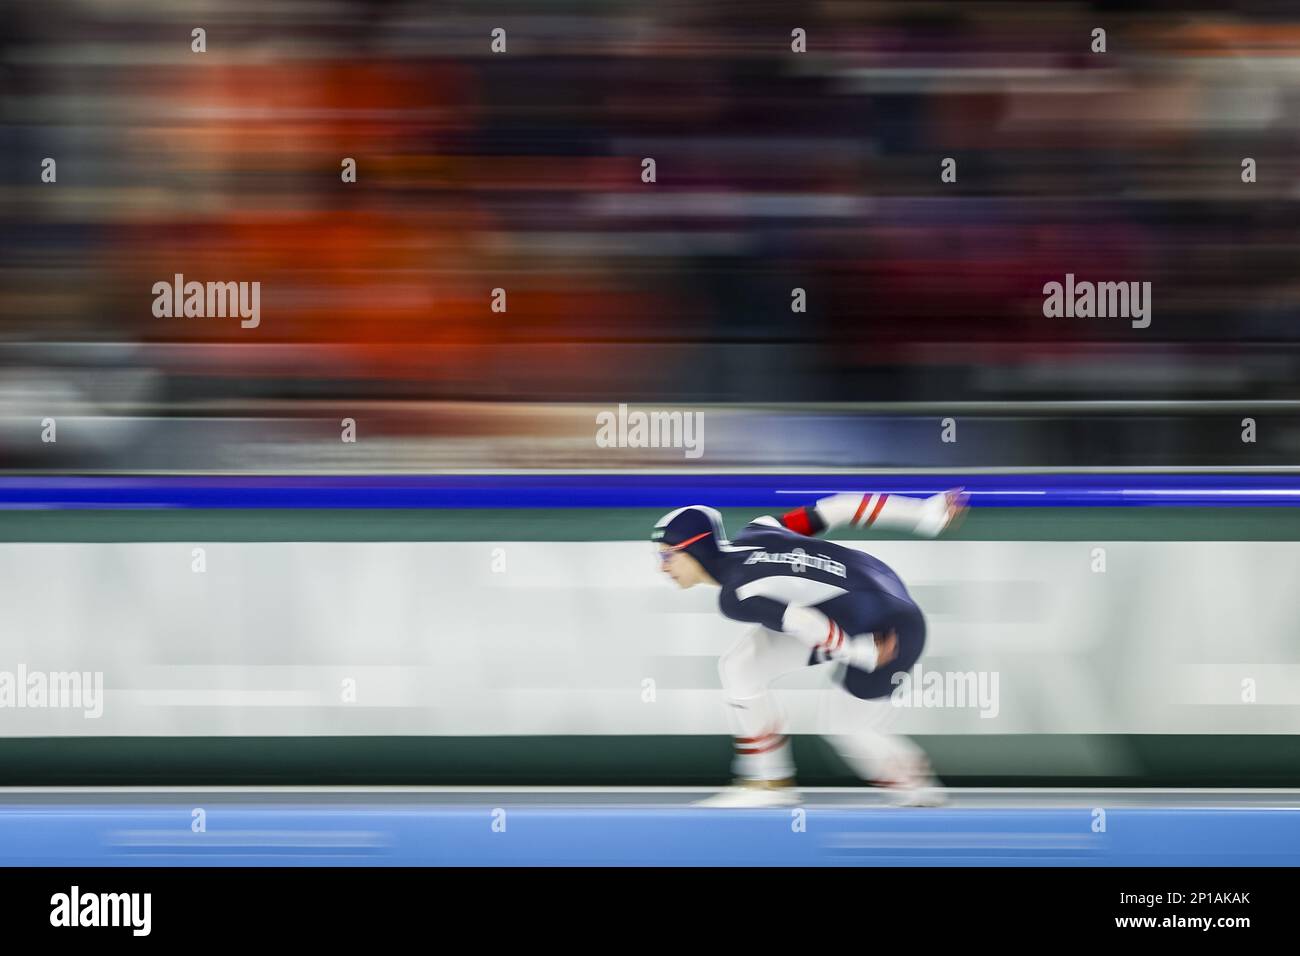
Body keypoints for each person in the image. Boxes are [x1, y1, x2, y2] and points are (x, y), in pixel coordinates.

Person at [653, 489, 967, 807]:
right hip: (877, 601)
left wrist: (862, 653)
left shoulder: (737, 594)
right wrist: (924, 514)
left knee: (847, 727)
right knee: (741, 666)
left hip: (890, 628)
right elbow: (838, 507)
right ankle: (768, 781)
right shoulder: (760, 528)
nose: (662, 568)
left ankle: (918, 794)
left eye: (667, 555)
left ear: (695, 549)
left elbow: (803, 621)